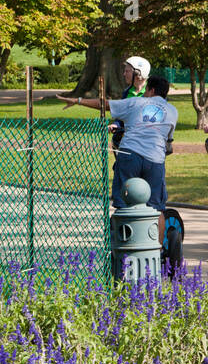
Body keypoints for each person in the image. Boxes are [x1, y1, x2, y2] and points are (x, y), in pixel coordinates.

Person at [61, 75, 178, 241]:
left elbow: (105, 105)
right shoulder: (173, 111)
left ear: (151, 90)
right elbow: (168, 138)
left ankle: (122, 244)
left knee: (123, 202)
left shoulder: (136, 102)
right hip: (155, 159)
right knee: (156, 208)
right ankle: (156, 250)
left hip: (130, 154)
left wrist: (78, 100)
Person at [110, 56, 151, 152]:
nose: (124, 74)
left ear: (138, 73)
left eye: (127, 71)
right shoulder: (127, 92)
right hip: (129, 142)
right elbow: (122, 115)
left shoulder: (152, 92)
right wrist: (116, 124)